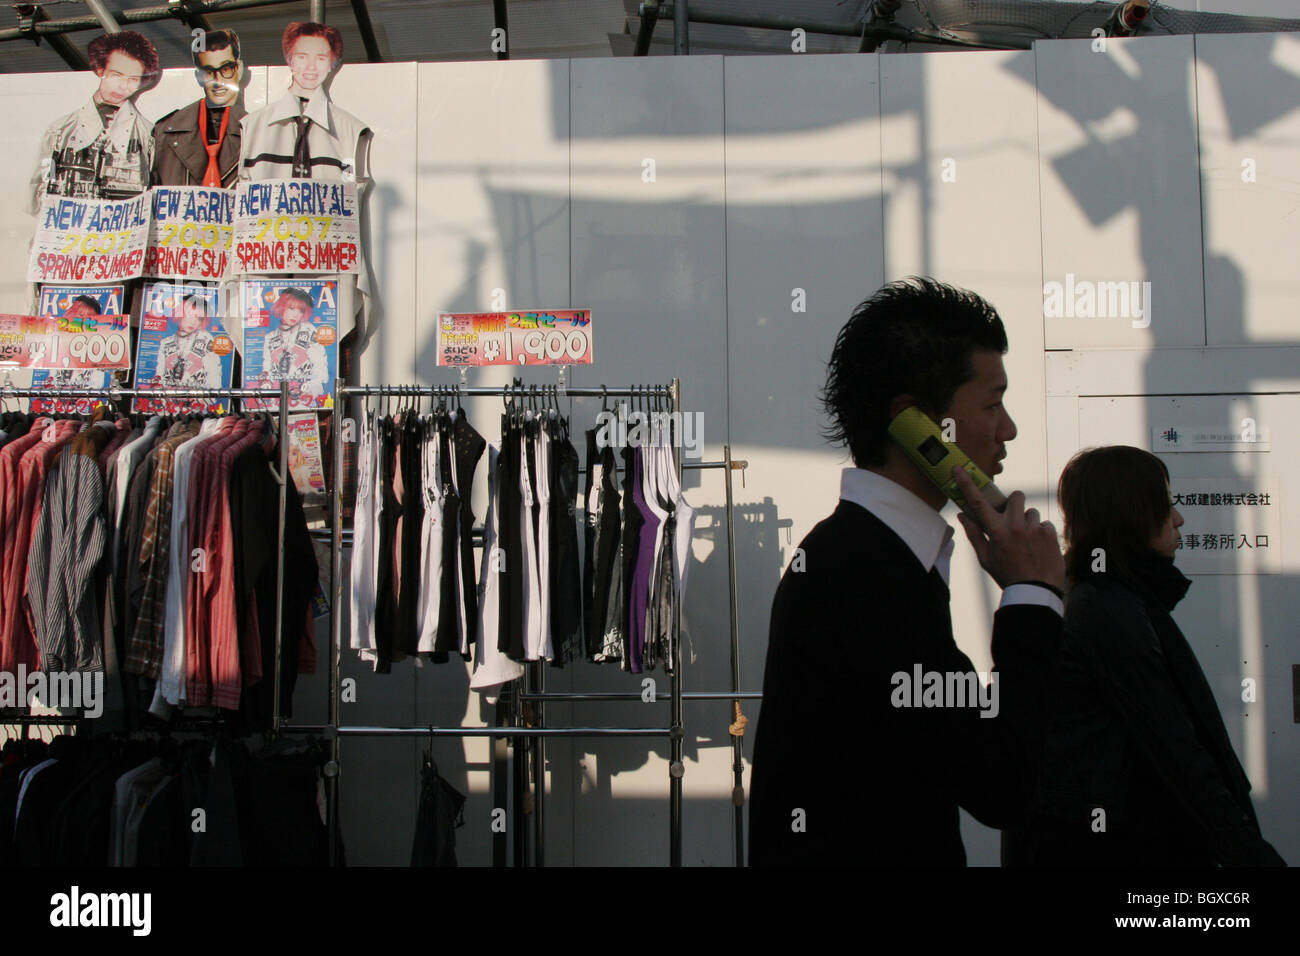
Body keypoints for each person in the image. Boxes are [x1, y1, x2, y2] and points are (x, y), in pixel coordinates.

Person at [748, 277, 1066, 867]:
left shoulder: (866, 554)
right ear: (916, 424)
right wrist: (1032, 595)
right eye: (992, 403)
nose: (1009, 429)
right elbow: (1001, 784)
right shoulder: (867, 573)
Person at [1003, 446, 1286, 867]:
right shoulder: (1106, 609)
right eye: (1166, 503)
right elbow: (1176, 747)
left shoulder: (1095, 597)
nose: (1179, 518)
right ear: (1133, 512)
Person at [28, 31, 159, 213]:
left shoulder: (149, 136)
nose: (123, 86)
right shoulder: (60, 130)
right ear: (100, 70)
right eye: (116, 75)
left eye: (133, 79)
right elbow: (37, 195)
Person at [238, 21, 370, 183]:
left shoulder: (351, 132)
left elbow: (350, 192)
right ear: (290, 60)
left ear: (331, 64)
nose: (311, 67)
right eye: (301, 57)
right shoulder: (252, 126)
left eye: (321, 58)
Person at [151, 29, 246, 187]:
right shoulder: (165, 133)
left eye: (226, 69)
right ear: (198, 77)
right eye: (208, 72)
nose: (218, 81)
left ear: (239, 69)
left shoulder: (257, 132)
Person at [262, 287, 328, 402]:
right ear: (281, 307)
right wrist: (267, 383)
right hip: (276, 400)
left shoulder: (309, 332)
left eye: (300, 310)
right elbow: (267, 367)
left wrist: (310, 386)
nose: (295, 315)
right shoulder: (270, 337)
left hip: (305, 399)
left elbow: (320, 368)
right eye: (291, 308)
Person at [153, 293, 223, 390]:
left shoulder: (206, 339)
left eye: (199, 318)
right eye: (190, 315)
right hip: (169, 399)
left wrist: (208, 398)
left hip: (197, 400)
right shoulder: (165, 342)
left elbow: (214, 374)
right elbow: (159, 373)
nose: (193, 321)